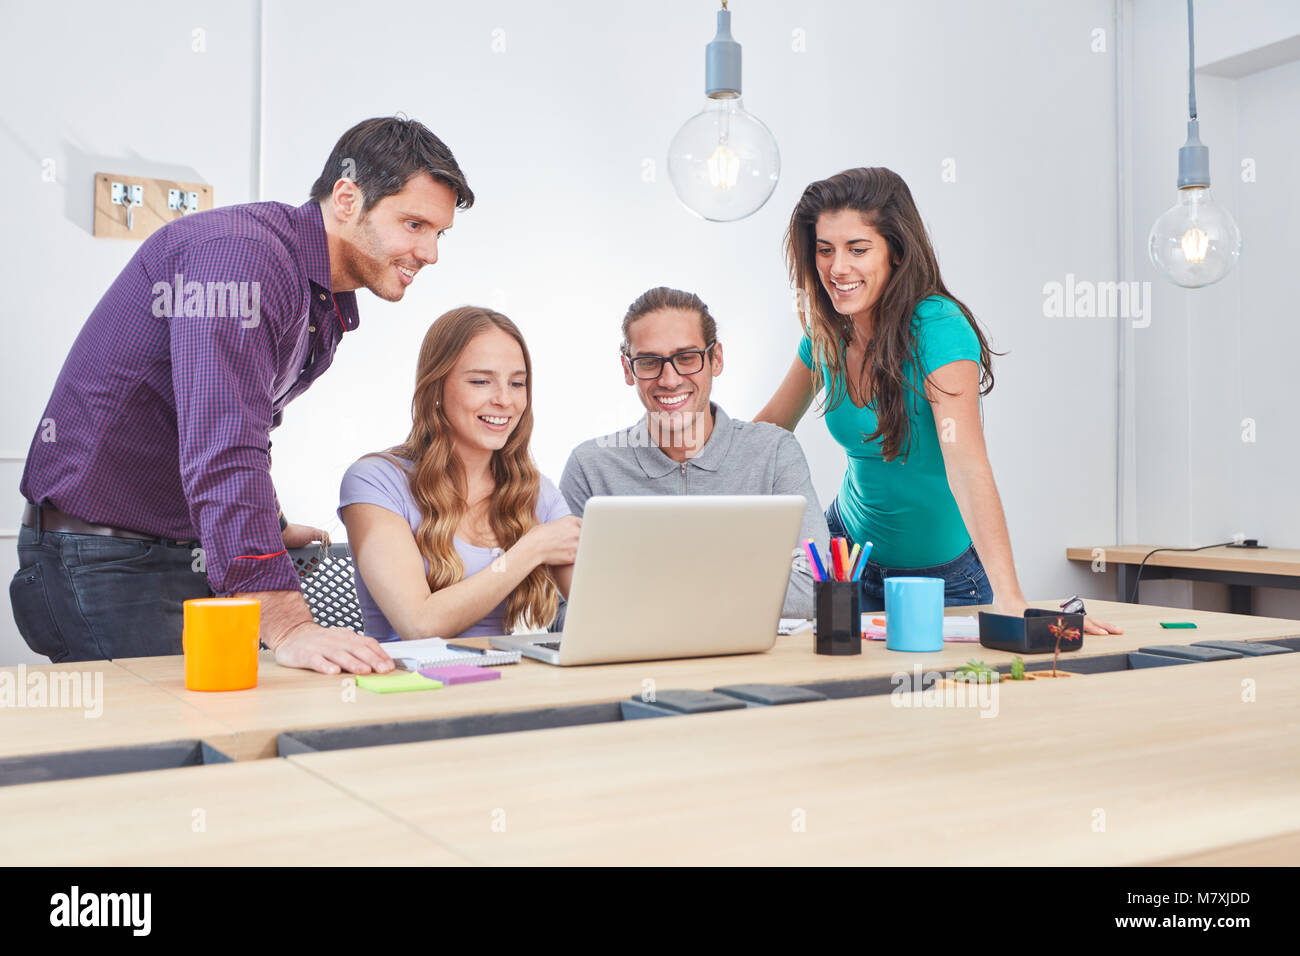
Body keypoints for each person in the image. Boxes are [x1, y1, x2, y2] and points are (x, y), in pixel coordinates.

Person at [12, 116, 475, 673]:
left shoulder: (319, 298)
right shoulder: (240, 259)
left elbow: (238, 423)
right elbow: (223, 441)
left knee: (221, 739)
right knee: (166, 750)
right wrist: (286, 621)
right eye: (414, 224)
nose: (430, 253)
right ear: (348, 198)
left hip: (168, 552)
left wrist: (272, 527)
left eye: (438, 233)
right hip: (103, 559)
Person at [756, 167, 1120, 635]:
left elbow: (965, 464)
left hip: (941, 580)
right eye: (824, 250)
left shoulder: (937, 329)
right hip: (844, 562)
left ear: (896, 250)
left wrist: (1011, 598)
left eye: (858, 249)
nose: (837, 268)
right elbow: (766, 433)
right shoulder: (826, 332)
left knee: (930, 701)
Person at [560, 286, 827, 619]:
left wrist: (645, 598)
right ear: (628, 370)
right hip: (635, 667)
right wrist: (734, 592)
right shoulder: (590, 466)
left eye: (686, 358)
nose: (669, 380)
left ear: (716, 359)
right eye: (649, 362)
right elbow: (564, 612)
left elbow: (817, 585)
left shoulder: (774, 452)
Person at [339, 307, 579, 640]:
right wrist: (532, 549)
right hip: (413, 687)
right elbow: (420, 625)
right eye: (481, 381)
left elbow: (601, 615)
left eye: (517, 383)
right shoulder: (375, 481)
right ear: (436, 389)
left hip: (505, 684)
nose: (504, 400)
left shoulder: (537, 493)